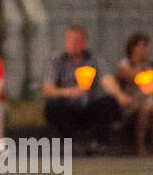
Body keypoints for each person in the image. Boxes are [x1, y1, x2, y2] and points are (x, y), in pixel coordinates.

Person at [42, 25, 130, 154]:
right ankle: (68, 144)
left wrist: (119, 95)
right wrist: (70, 92)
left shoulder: (93, 59)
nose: (72, 44)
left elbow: (107, 80)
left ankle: (99, 144)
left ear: (84, 42)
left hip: (89, 106)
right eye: (69, 40)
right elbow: (47, 89)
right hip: (67, 107)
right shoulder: (56, 60)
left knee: (108, 102)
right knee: (54, 105)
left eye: (76, 40)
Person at [116, 31, 153, 157]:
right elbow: (129, 75)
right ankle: (140, 146)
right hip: (131, 104)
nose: (145, 50)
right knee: (146, 108)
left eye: (146, 46)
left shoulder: (150, 65)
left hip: (150, 102)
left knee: (152, 107)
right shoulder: (125, 64)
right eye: (141, 46)